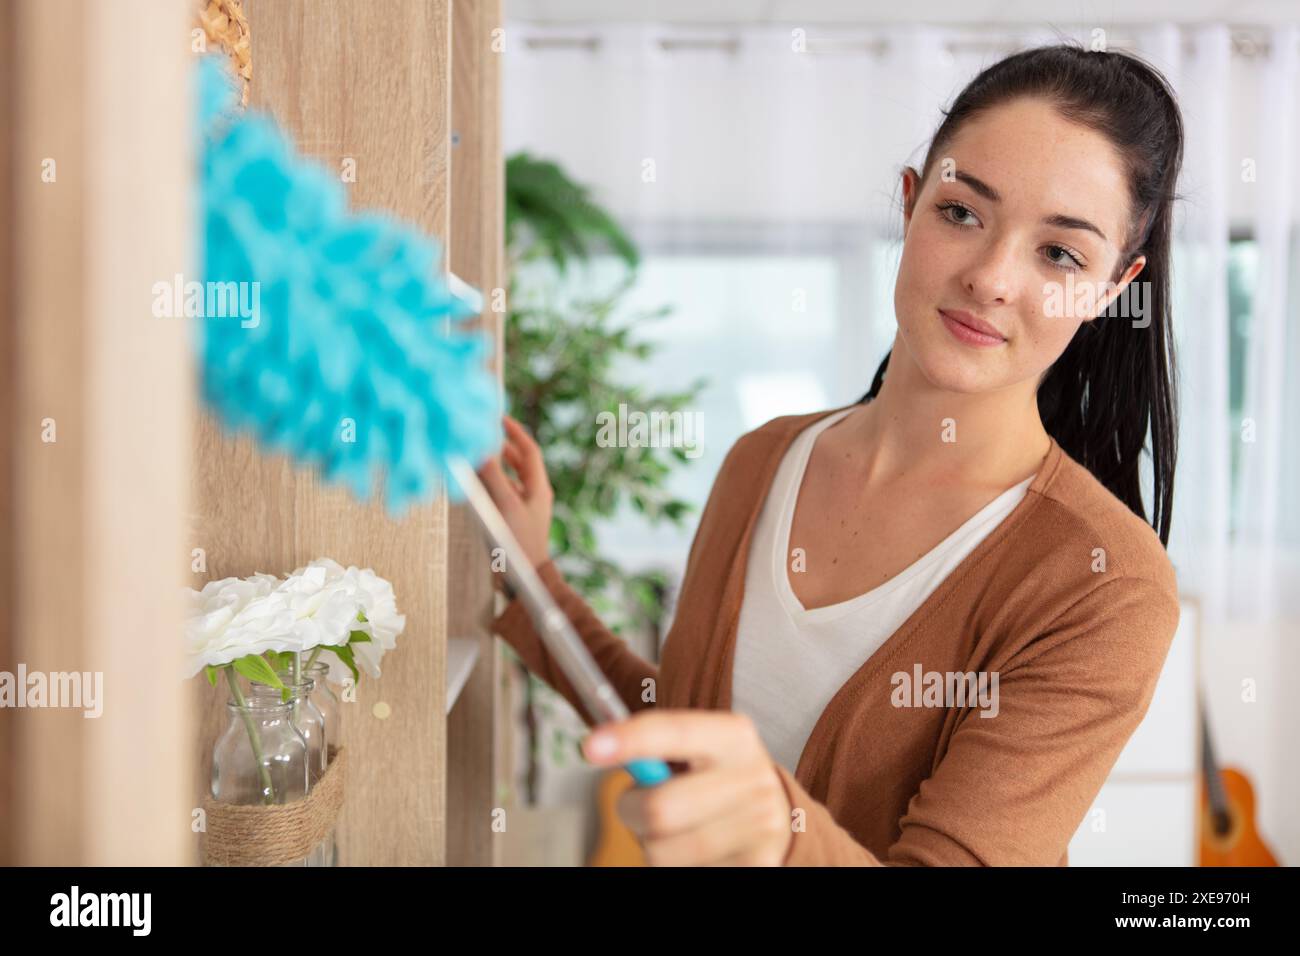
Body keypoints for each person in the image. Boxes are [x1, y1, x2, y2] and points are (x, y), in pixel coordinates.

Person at [480, 43, 1184, 866]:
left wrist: (779, 834)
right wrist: (531, 577)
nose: (992, 278)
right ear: (912, 204)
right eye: (963, 212)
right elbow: (682, 738)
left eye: (1059, 253)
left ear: (1109, 288)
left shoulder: (1105, 583)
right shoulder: (762, 461)